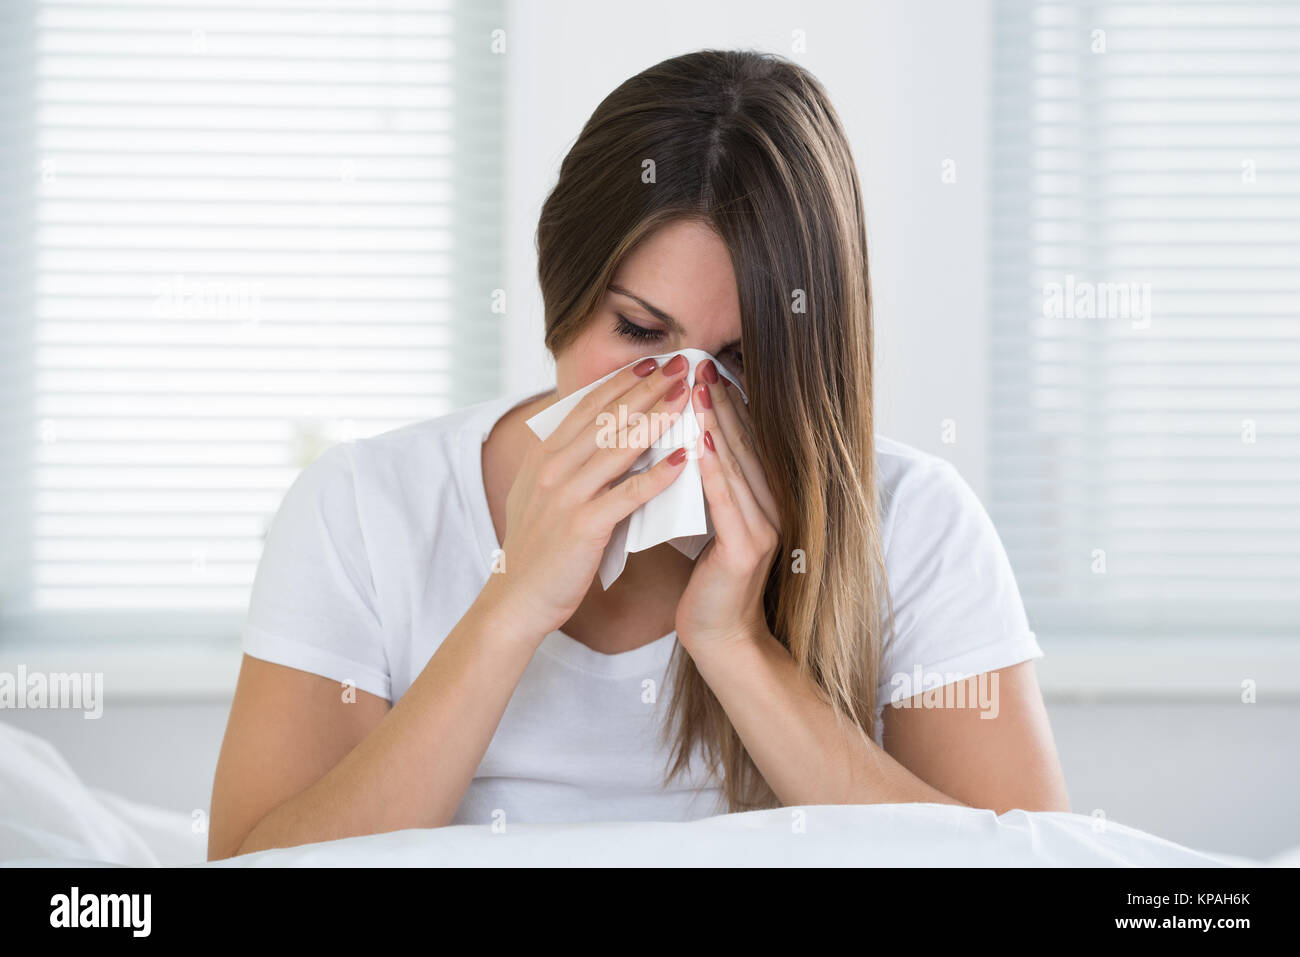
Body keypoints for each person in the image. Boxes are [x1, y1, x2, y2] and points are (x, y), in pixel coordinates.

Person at [208, 48, 1068, 861]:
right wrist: (510, 608)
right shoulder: (364, 509)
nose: (688, 398)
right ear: (562, 295)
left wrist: (737, 647)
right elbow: (253, 868)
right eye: (640, 332)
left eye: (743, 357)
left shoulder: (916, 523)